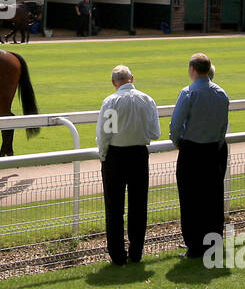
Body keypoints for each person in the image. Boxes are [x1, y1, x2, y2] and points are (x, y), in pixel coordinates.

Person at [97, 65, 161, 264]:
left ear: (114, 83)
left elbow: (105, 134)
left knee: (114, 207)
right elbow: (154, 133)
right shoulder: (147, 100)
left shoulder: (111, 101)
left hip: (115, 156)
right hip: (139, 155)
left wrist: (104, 155)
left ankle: (117, 255)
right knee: (138, 205)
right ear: (132, 78)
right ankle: (136, 252)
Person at [169, 53, 229, 258]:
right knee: (213, 198)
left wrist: (178, 143)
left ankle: (194, 245)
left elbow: (176, 125)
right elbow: (223, 126)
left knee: (190, 198)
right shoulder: (221, 93)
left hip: (192, 150)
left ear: (192, 69)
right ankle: (213, 243)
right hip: (215, 149)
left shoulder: (188, 93)